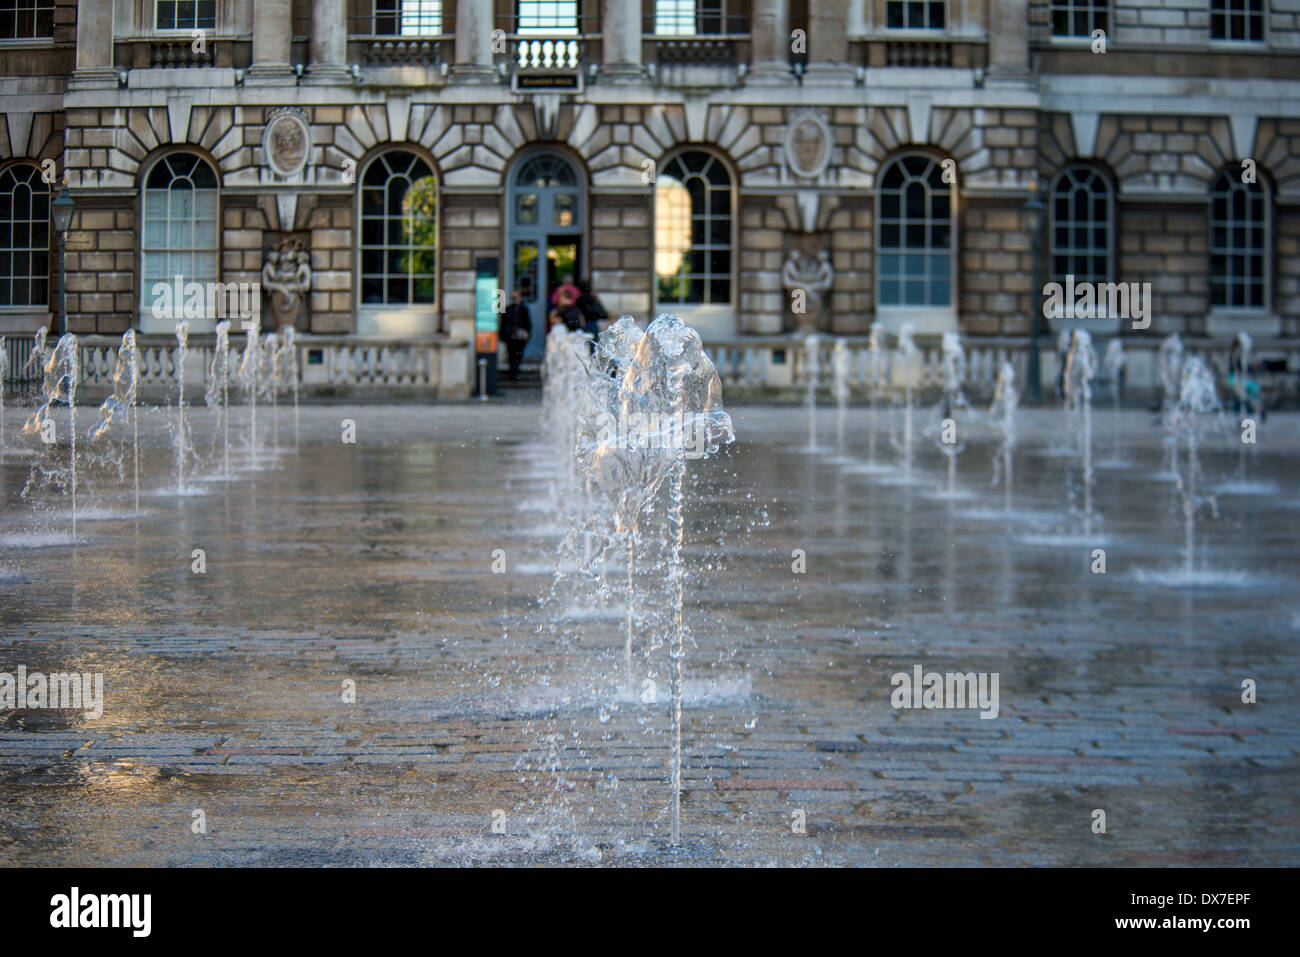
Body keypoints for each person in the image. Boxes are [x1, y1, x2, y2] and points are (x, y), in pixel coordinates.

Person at [498, 286, 531, 381]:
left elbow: (527, 323)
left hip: (519, 336)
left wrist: (527, 333)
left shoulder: (523, 309)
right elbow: (503, 323)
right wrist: (502, 335)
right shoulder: (508, 309)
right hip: (511, 336)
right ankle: (513, 372)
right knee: (512, 355)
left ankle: (515, 372)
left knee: (517, 355)